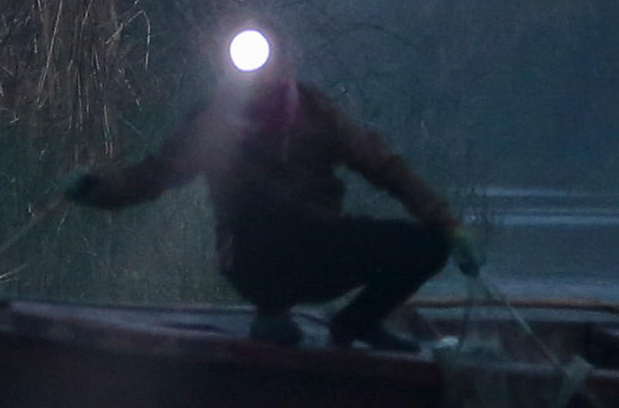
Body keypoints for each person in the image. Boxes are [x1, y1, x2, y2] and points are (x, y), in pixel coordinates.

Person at [67, 29, 472, 350]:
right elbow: (157, 173)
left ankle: (358, 322)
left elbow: (385, 168)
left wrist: (447, 225)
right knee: (260, 200)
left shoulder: (316, 111)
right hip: (252, 257)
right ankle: (272, 311)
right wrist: (97, 189)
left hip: (318, 249)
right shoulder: (214, 123)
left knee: (429, 244)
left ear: (286, 66)